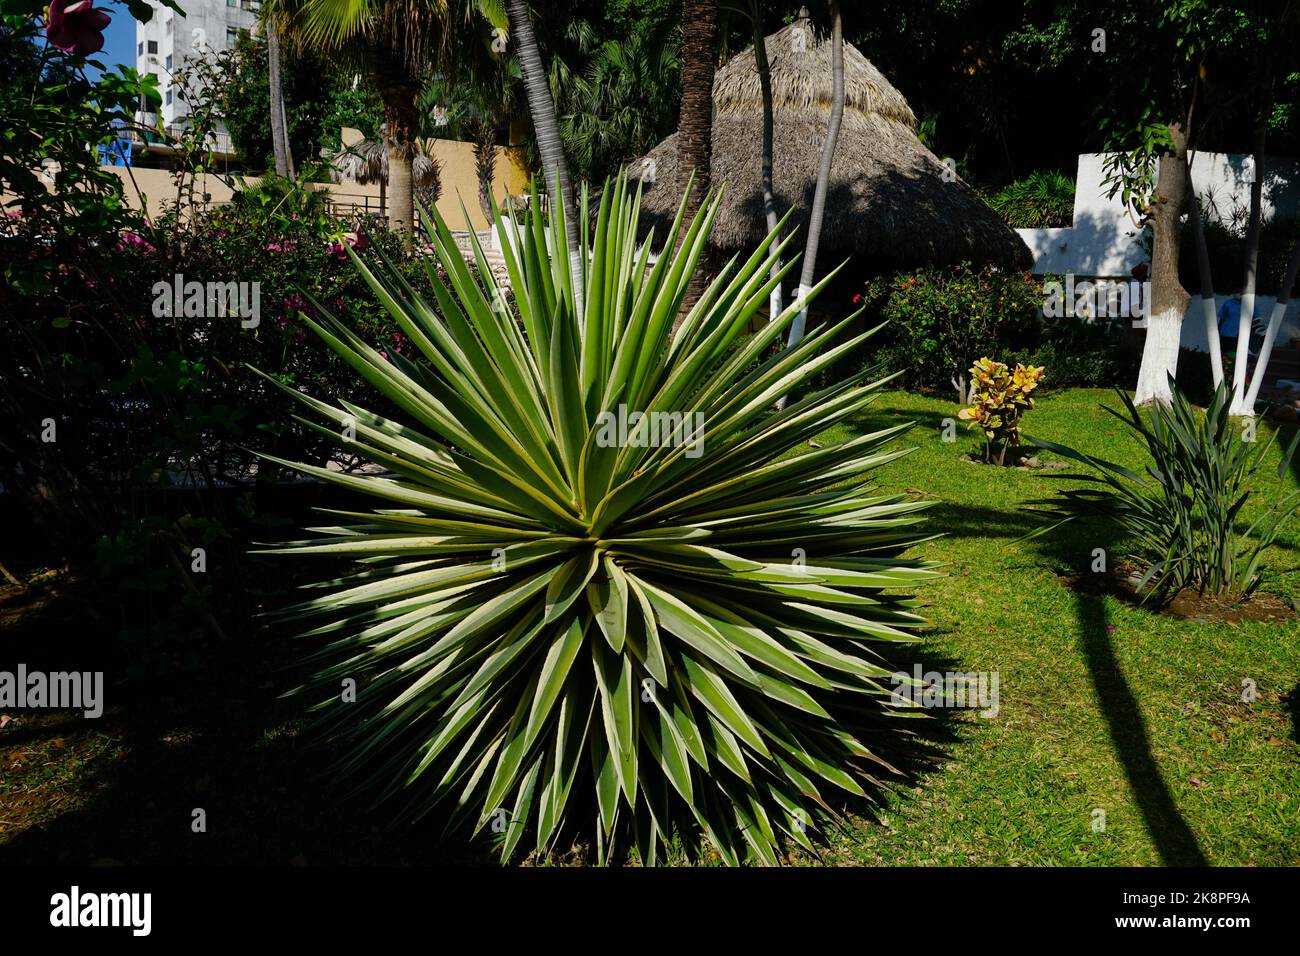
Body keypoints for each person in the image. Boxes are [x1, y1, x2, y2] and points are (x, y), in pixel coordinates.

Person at [1218, 287, 1264, 356]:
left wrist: (1248, 326)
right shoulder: (1228, 303)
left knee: (1238, 354)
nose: (1237, 294)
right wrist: (1218, 329)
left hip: (1242, 335)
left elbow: (1258, 319)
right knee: (1225, 354)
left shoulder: (1251, 305)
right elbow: (1222, 318)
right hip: (1226, 333)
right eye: (1235, 292)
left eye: (1239, 292)